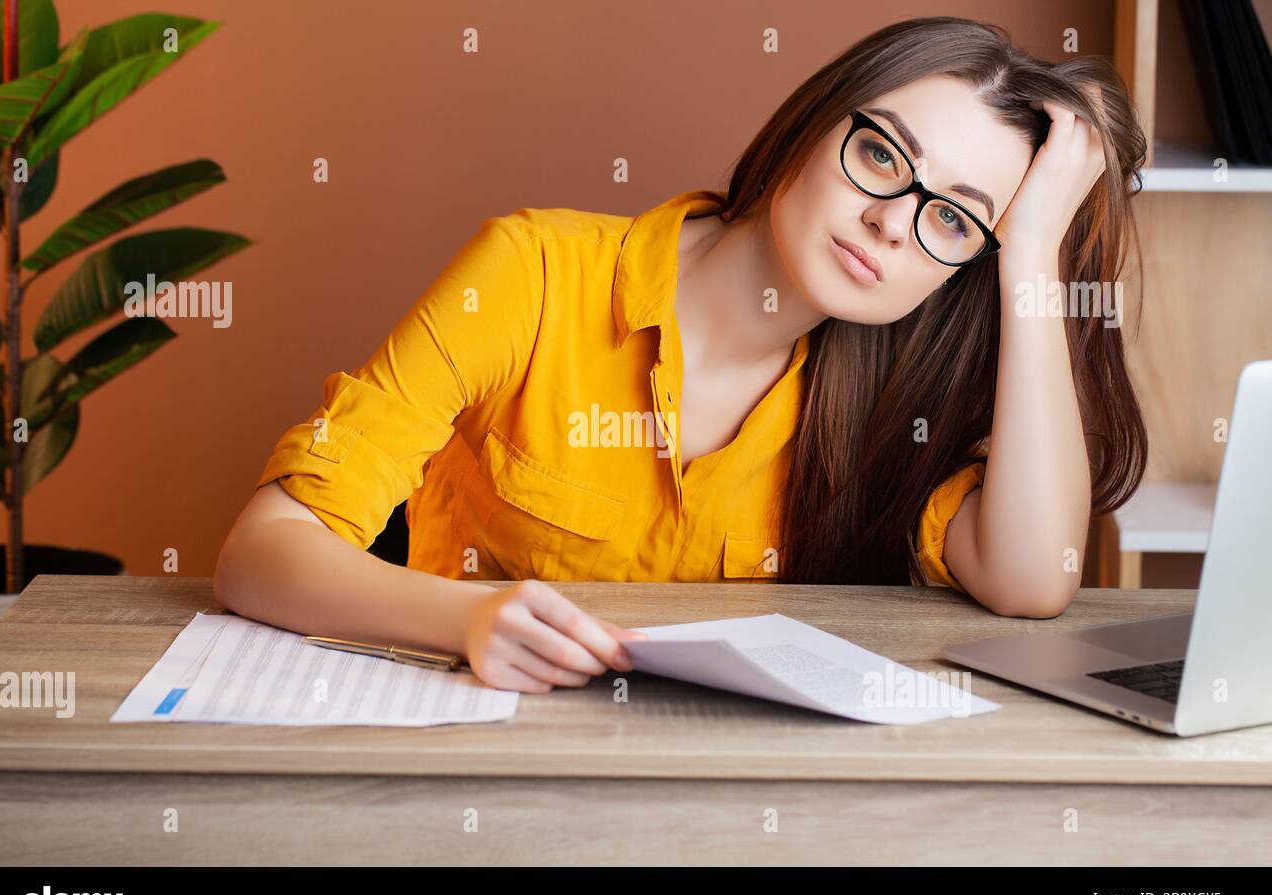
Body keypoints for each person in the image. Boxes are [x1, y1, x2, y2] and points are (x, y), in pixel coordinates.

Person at [214, 16, 1147, 693]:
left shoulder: (889, 409)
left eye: (952, 217)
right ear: (812, 123)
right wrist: (463, 621)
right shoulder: (532, 272)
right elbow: (261, 552)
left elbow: (1035, 577)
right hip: (474, 746)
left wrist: (1030, 256)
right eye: (881, 158)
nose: (890, 223)